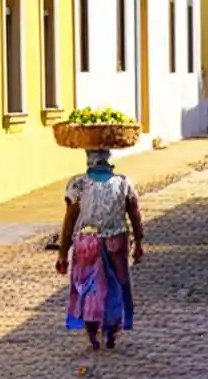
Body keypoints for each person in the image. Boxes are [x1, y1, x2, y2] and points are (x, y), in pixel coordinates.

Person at [56, 148, 145, 350]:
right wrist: (139, 242)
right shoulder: (124, 183)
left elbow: (70, 218)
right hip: (117, 240)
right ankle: (111, 330)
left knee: (88, 288)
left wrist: (63, 253)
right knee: (117, 285)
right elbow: (135, 214)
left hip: (87, 242)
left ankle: (91, 330)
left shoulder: (78, 184)